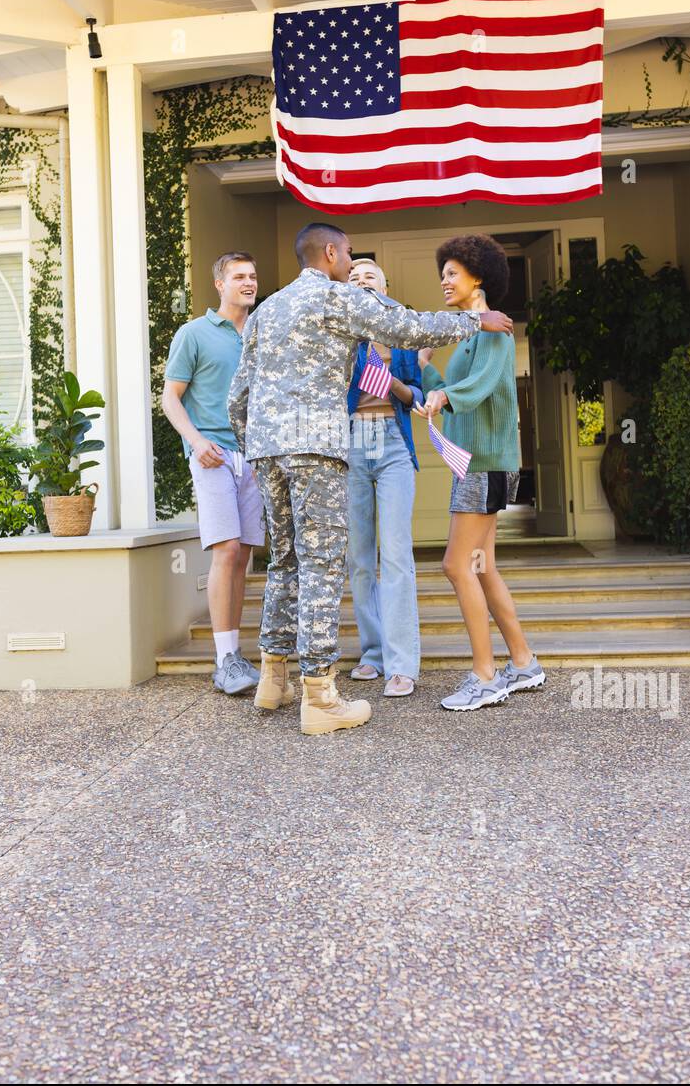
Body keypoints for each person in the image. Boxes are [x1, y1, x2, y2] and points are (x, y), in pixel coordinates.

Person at [227, 222, 514, 737]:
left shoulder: (267, 309)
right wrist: (478, 322)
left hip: (267, 451)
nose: (349, 262)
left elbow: (238, 393)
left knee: (286, 561)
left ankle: (274, 678)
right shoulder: (334, 298)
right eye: (348, 254)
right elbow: (406, 325)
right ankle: (320, 697)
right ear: (331, 253)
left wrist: (254, 446)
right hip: (315, 447)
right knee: (321, 566)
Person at [416, 234, 546, 711]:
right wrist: (431, 376)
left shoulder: (495, 330)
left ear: (478, 276)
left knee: (456, 564)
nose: (444, 281)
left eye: (452, 273)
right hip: (477, 462)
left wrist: (447, 395)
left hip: (485, 464)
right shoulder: (473, 333)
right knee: (481, 566)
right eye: (443, 273)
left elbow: (483, 384)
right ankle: (524, 661)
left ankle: (485, 677)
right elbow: (458, 391)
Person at [162, 252, 265, 696]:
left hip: (254, 458)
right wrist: (197, 442)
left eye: (253, 276)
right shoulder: (194, 334)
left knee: (243, 555)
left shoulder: (262, 333)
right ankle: (224, 661)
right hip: (213, 456)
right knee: (225, 550)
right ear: (219, 284)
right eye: (239, 276)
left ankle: (234, 652)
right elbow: (170, 398)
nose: (249, 282)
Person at [346, 259, 423, 698]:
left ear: (386, 284)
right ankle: (373, 654)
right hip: (353, 441)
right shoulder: (341, 332)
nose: (361, 281)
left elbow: (415, 394)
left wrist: (391, 383)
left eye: (369, 275)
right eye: (353, 277)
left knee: (395, 555)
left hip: (393, 443)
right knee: (359, 558)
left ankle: (402, 664)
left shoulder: (402, 327)